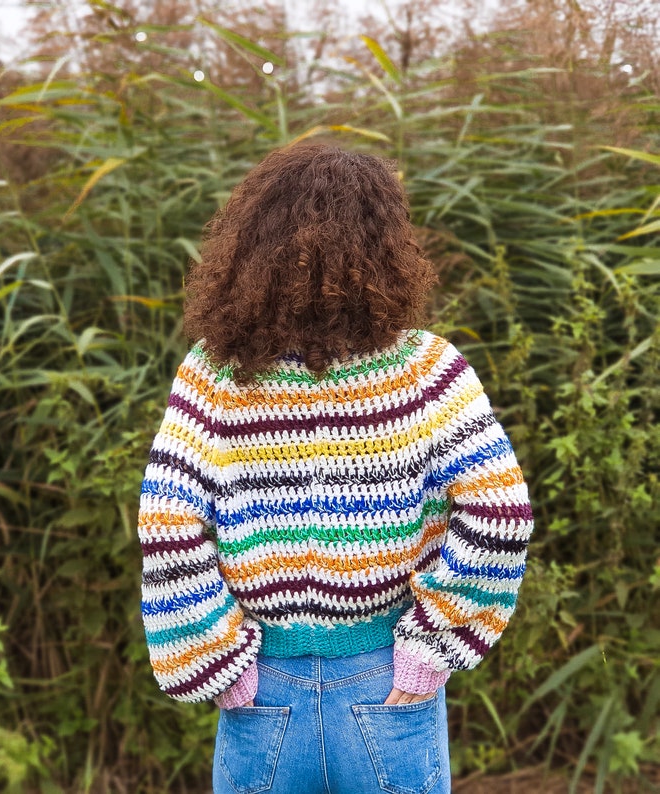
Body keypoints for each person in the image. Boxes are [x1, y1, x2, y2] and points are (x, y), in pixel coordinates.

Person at [137, 142, 534, 794]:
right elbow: (501, 513)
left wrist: (212, 653)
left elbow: (167, 516)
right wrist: (435, 642)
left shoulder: (214, 373)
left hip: (262, 690)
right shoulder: (427, 370)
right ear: (385, 245)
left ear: (253, 241)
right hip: (388, 686)